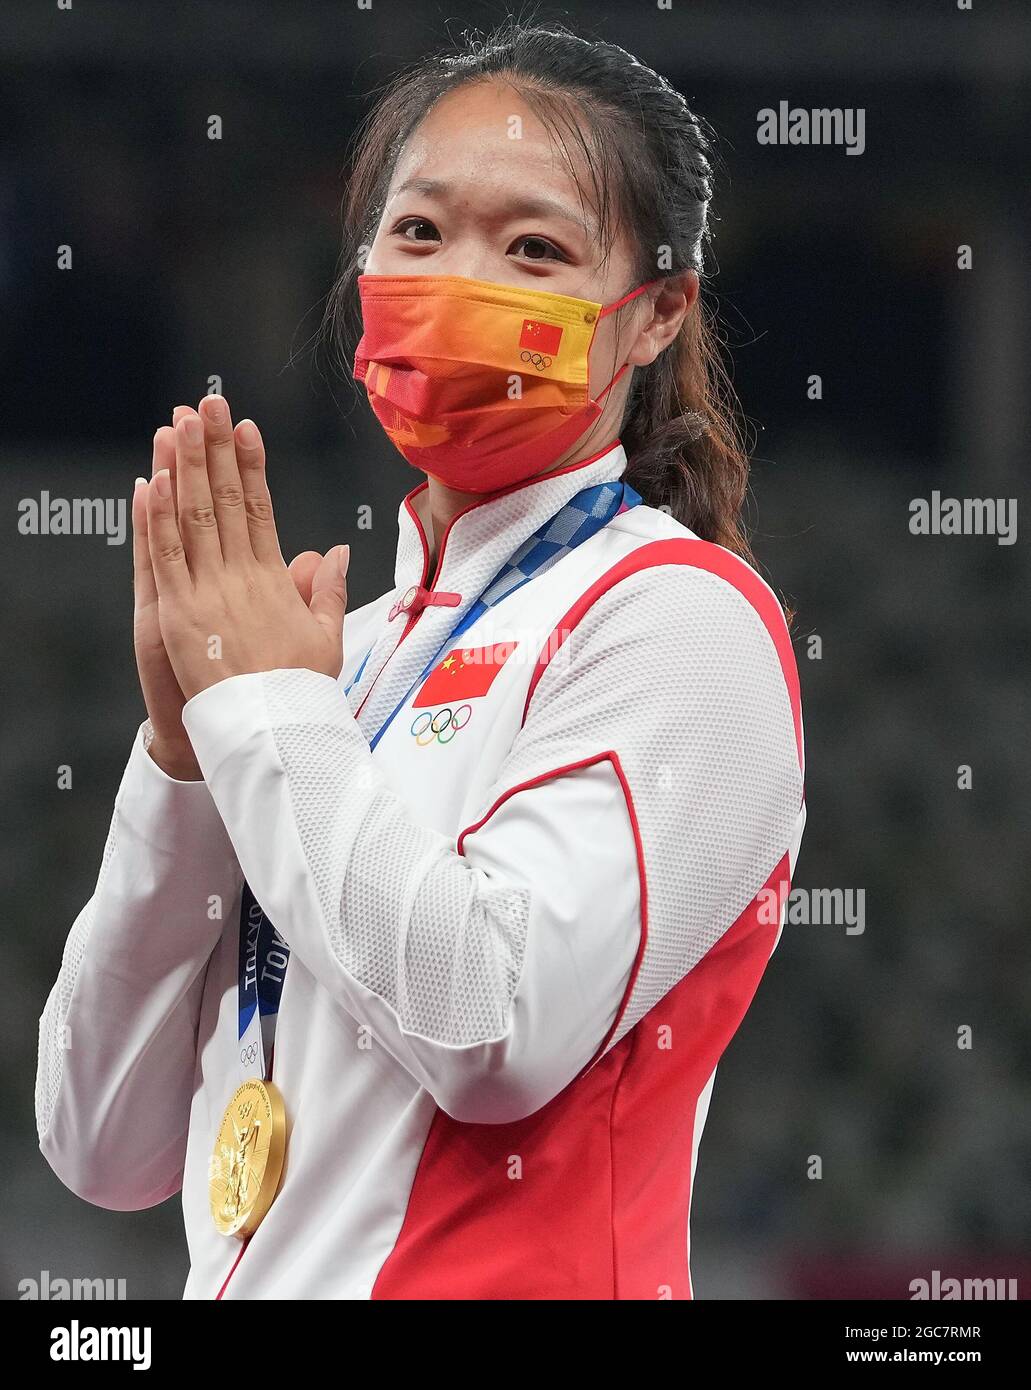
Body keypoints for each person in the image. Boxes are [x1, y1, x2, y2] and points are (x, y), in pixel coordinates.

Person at [35, 18, 806, 1299]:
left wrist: (269, 711)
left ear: (655, 313)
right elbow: (99, 1144)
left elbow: (489, 1032)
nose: (460, 280)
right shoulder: (336, 659)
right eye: (419, 232)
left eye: (535, 249)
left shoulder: (680, 620)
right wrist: (180, 762)